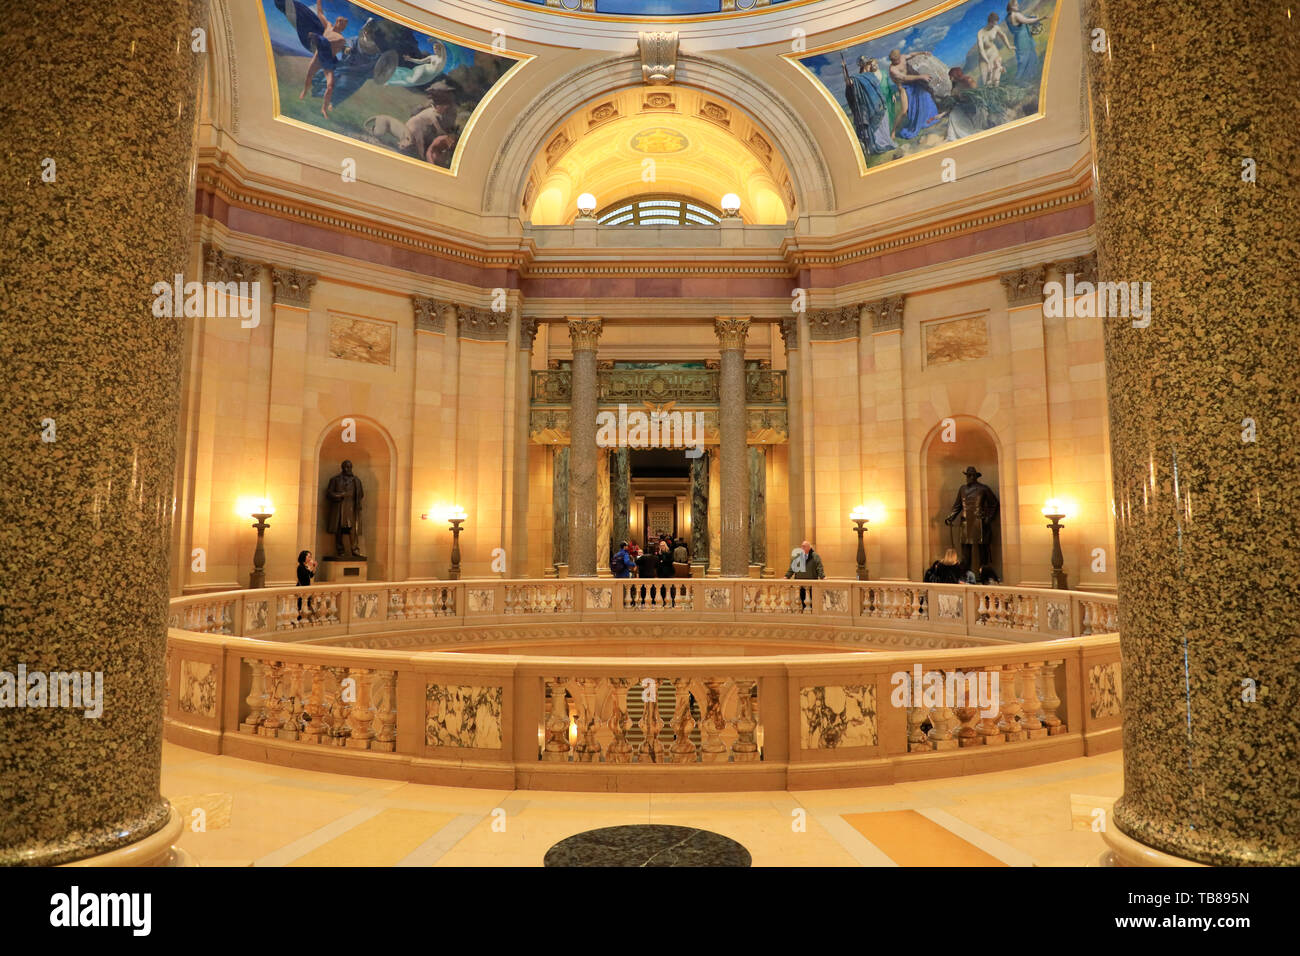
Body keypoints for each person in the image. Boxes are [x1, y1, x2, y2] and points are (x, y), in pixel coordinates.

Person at [297, 0, 349, 118]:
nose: (342, 26)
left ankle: (323, 109)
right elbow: (320, 13)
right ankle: (305, 91)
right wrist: (319, 1)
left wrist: (317, 38)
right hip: (317, 58)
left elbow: (331, 44)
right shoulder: (328, 27)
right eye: (341, 23)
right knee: (309, 76)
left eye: (344, 25)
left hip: (327, 62)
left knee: (330, 86)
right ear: (337, 22)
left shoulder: (341, 39)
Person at [945, 466, 1000, 572]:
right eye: (967, 475)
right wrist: (951, 517)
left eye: (971, 475)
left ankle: (984, 574)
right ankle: (965, 574)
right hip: (965, 522)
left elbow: (994, 503)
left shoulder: (983, 488)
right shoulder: (962, 489)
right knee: (965, 551)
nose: (969, 477)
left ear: (976, 476)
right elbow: (958, 506)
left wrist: (988, 517)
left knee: (983, 550)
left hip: (979, 522)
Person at [888, 49, 944, 140]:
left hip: (913, 84)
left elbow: (911, 54)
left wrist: (923, 52)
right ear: (892, 60)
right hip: (903, 88)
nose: (897, 61)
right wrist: (921, 76)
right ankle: (893, 132)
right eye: (894, 60)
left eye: (897, 59)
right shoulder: (892, 69)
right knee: (904, 110)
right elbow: (904, 77)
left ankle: (928, 119)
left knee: (925, 95)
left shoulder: (902, 57)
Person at [849, 56, 899, 155]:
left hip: (879, 102)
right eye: (869, 65)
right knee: (877, 126)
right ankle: (880, 143)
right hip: (871, 105)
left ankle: (886, 140)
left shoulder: (870, 75)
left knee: (884, 122)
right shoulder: (858, 78)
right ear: (865, 65)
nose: (871, 66)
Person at [1006, 0, 1044, 84]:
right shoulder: (1016, 15)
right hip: (1024, 40)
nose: (1018, 5)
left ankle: (1026, 80)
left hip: (1019, 40)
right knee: (1027, 59)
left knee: (1024, 60)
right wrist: (1040, 18)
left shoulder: (1007, 17)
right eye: (1016, 4)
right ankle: (1019, 80)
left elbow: (1019, 25)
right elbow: (1026, 21)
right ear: (1012, 7)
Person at [785, 540, 825, 611]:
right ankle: (804, 612)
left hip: (812, 584)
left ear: (809, 548)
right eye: (801, 546)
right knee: (803, 600)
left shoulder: (815, 556)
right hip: (800, 584)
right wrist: (787, 576)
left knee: (812, 601)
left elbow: (819, 567)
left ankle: (812, 614)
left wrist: (823, 576)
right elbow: (792, 568)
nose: (802, 548)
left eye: (804, 546)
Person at [976, 12, 1013, 87]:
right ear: (989, 22)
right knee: (986, 81)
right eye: (993, 23)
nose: (995, 25)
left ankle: (997, 89)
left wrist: (1008, 46)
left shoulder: (996, 27)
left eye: (996, 23)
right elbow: (981, 49)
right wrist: (987, 62)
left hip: (993, 52)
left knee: (996, 75)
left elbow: (1003, 35)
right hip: (984, 56)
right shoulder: (980, 33)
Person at [296, 549, 316, 622]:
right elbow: (304, 576)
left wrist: (313, 567)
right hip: (302, 588)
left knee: (307, 603)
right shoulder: (300, 567)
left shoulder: (305, 566)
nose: (310, 558)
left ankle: (305, 617)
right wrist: (310, 567)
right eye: (309, 557)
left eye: (311, 557)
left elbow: (311, 575)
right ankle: (300, 618)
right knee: (301, 604)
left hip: (306, 588)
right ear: (304, 557)